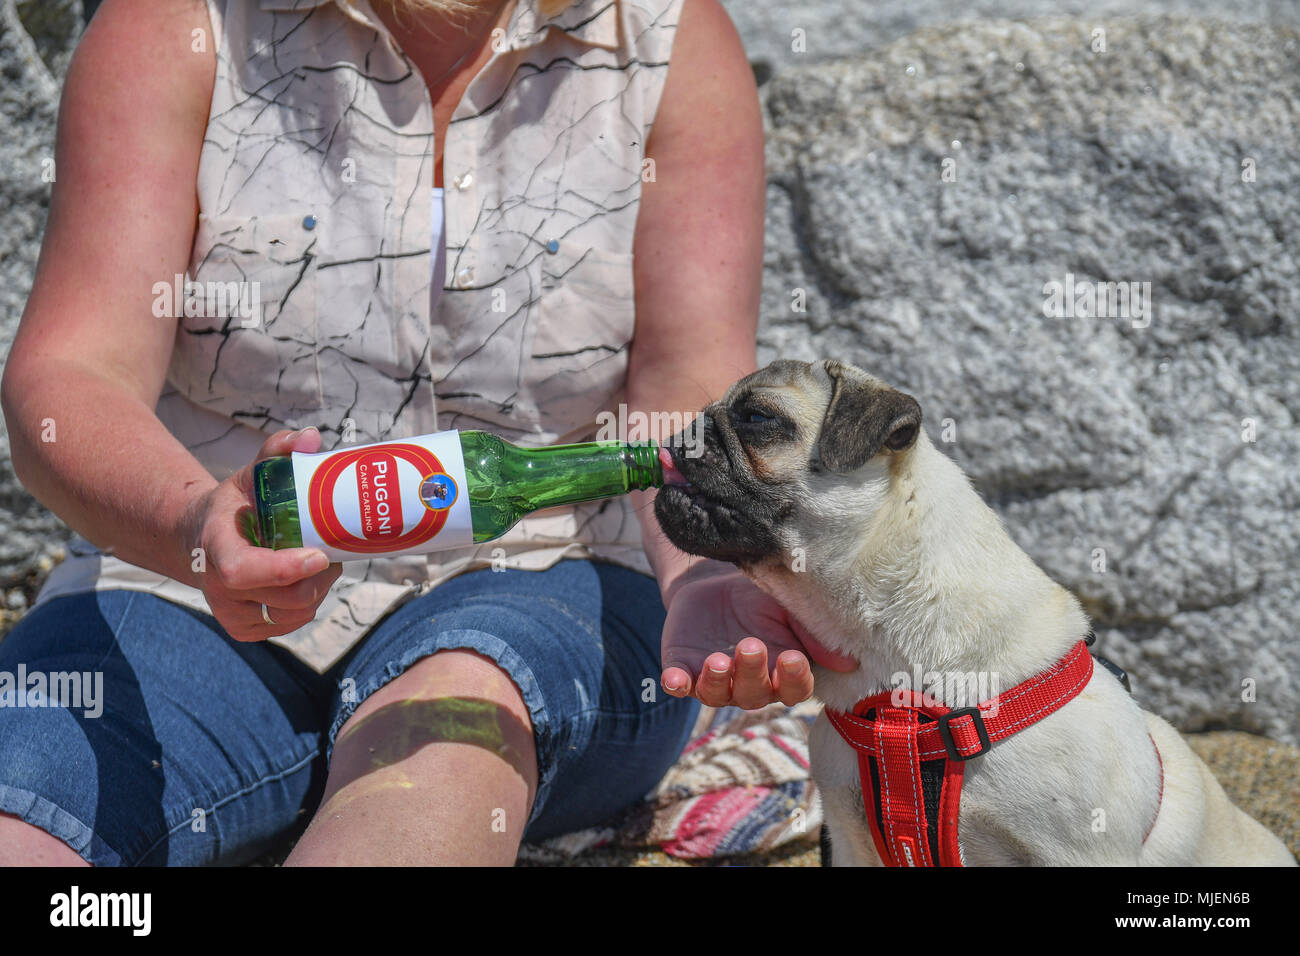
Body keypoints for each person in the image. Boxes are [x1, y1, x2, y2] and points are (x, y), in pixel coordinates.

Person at [0, 0, 824, 866]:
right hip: (185, 584)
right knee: (28, 805)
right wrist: (191, 523)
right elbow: (72, 375)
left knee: (447, 740)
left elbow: (682, 392)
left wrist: (701, 574)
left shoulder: (665, 37)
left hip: (547, 573)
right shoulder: (179, 21)